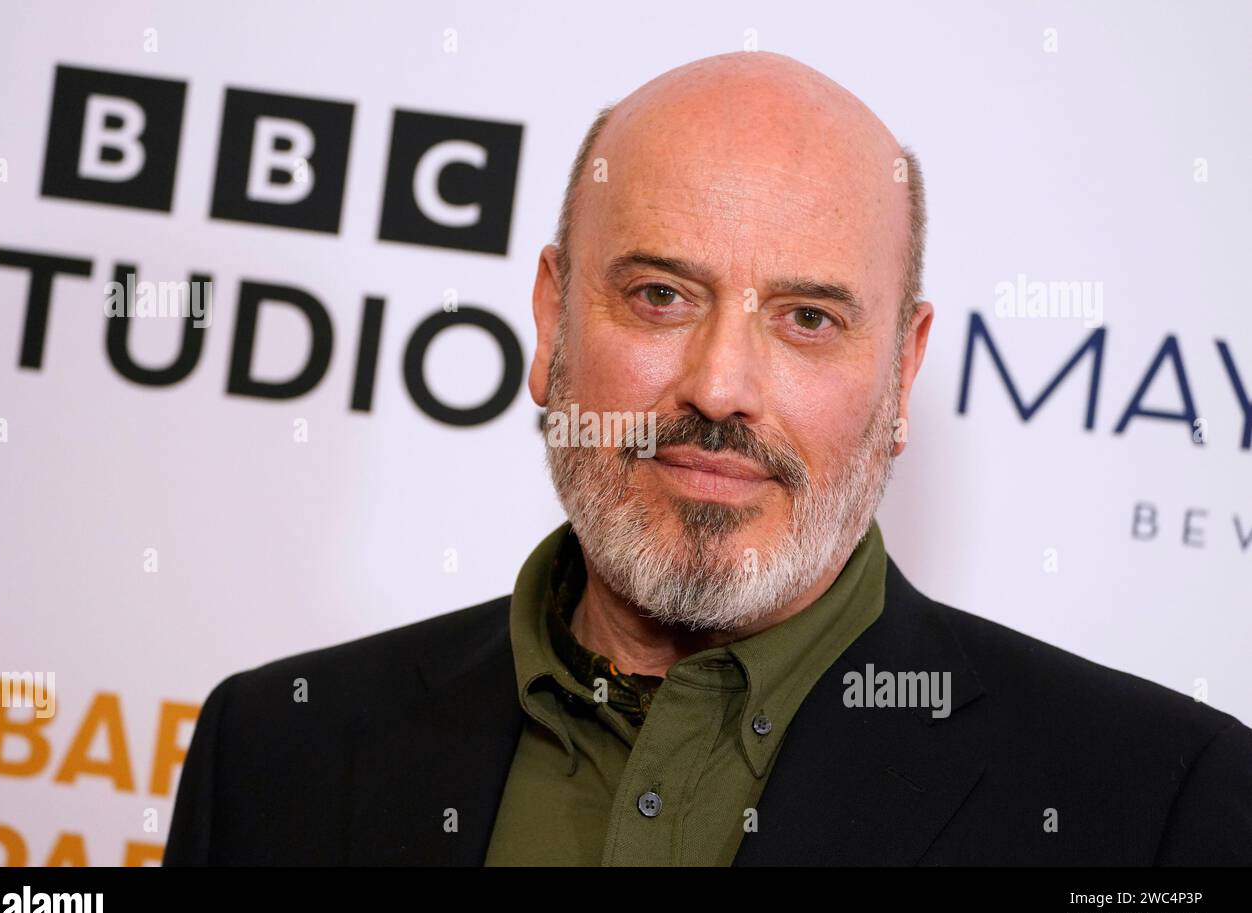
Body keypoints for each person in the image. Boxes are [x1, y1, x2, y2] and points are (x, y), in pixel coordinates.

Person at [164, 51, 1252, 866]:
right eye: (659, 296)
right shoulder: (275, 751)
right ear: (551, 325)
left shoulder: (1158, 809)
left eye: (809, 317)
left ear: (902, 374)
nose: (720, 385)